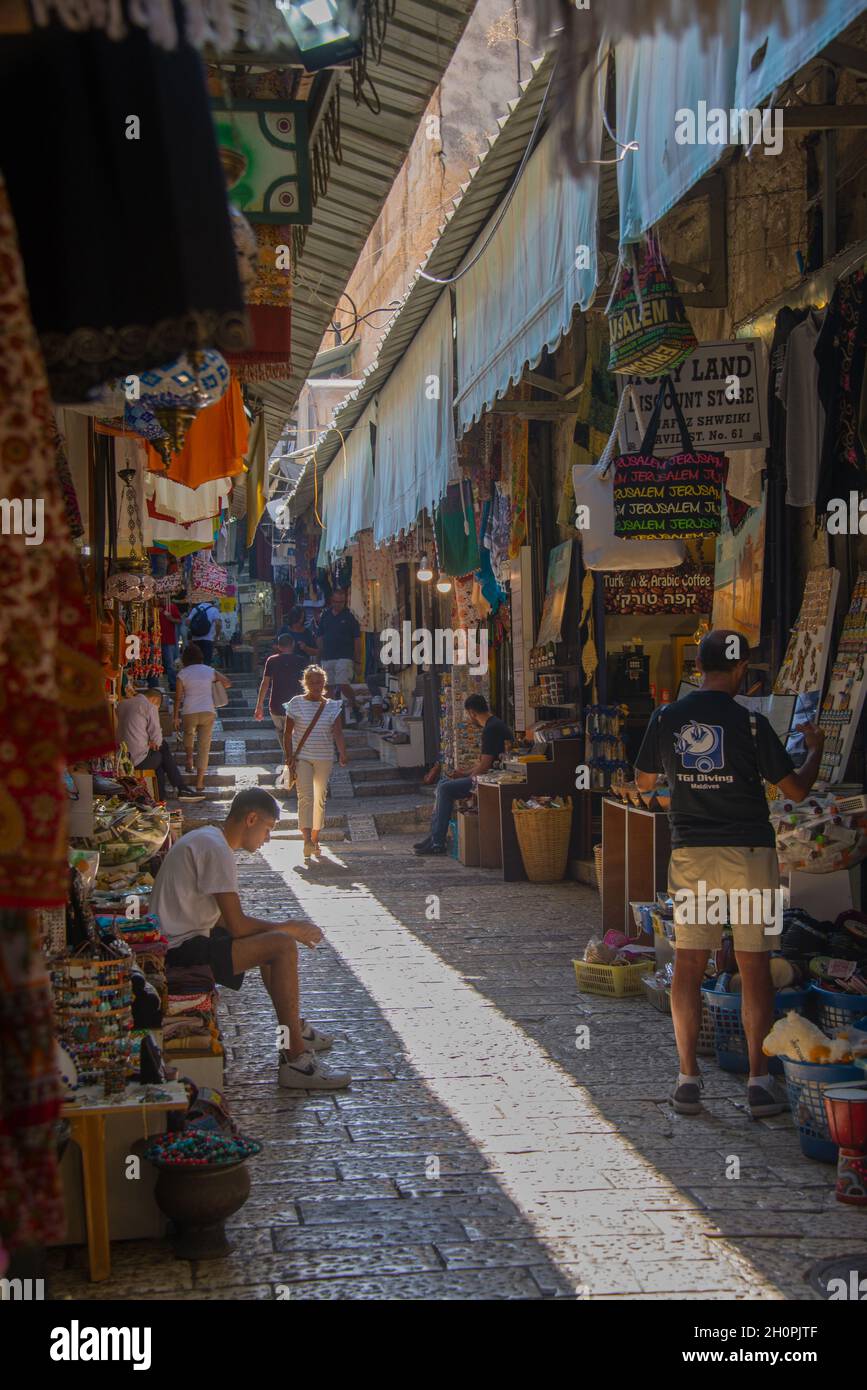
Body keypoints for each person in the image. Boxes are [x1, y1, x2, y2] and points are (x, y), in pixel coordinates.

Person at [634, 629, 825, 1121]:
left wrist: (684, 783)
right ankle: (759, 1083)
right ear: (740, 671)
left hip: (692, 856)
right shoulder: (753, 724)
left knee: (690, 964)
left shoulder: (667, 717)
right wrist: (816, 749)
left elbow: (644, 781)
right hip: (750, 856)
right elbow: (797, 791)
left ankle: (687, 1080)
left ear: (699, 666)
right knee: (754, 966)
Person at [153, 788, 350, 1090]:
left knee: (272, 943)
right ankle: (296, 1060)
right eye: (267, 829)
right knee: (281, 946)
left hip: (187, 939)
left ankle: (293, 1030)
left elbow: (224, 922)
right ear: (251, 818)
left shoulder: (209, 839)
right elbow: (238, 926)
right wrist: (290, 929)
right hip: (181, 950)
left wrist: (277, 930)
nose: (267, 838)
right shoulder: (215, 848)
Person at [415, 694, 512, 856]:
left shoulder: (491, 729)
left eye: (468, 715)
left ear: (472, 712)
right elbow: (482, 763)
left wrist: (468, 778)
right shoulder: (494, 724)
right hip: (489, 775)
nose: (469, 719)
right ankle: (435, 836)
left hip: (491, 779)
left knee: (445, 789)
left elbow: (484, 767)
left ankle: (438, 842)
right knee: (443, 784)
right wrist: (462, 773)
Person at [284, 664, 347, 861]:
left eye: (319, 681)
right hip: (302, 756)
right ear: (305, 683)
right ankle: (306, 841)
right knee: (305, 797)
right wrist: (289, 755)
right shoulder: (295, 703)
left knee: (320, 798)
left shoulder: (332, 706)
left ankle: (315, 837)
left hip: (324, 757)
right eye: (311, 681)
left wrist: (343, 753)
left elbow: (337, 732)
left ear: (324, 683)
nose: (315, 685)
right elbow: (287, 733)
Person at [116, 688, 204, 801]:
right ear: (155, 700)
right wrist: (153, 742)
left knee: (160, 761)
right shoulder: (149, 706)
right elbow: (157, 738)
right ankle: (179, 789)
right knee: (163, 748)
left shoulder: (122, 704)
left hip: (121, 757)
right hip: (137, 759)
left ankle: (163, 797)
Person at [174, 643, 231, 795]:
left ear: (185, 658)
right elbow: (227, 682)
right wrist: (214, 683)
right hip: (208, 710)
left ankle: (189, 759)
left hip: (189, 710)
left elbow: (178, 698)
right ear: (200, 656)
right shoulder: (209, 671)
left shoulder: (182, 673)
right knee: (204, 747)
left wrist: (175, 716)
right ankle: (199, 783)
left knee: (189, 734)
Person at [254, 631, 306, 756]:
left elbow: (265, 683)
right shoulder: (301, 660)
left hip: (276, 704)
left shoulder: (272, 661)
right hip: (296, 705)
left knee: (281, 731)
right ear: (293, 644)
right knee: (295, 733)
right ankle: (293, 759)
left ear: (278, 646)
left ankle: (288, 759)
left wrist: (259, 705)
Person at [318, 588, 362, 722]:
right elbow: (320, 635)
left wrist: (358, 660)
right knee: (328, 687)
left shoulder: (349, 617)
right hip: (328, 656)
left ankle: (354, 704)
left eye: (341, 602)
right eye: (336, 601)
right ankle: (333, 715)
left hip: (345, 655)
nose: (338, 604)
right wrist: (319, 653)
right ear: (332, 601)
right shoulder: (325, 615)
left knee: (342, 683)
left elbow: (357, 639)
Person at [155, 599, 182, 693]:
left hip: (171, 640)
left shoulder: (172, 607)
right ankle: (171, 684)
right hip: (159, 641)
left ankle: (174, 684)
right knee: (166, 664)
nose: (160, 597)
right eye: (159, 595)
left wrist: (171, 618)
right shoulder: (155, 608)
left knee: (173, 664)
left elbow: (179, 620)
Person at [186, 599, 222, 666]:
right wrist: (217, 635)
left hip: (195, 639)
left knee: (196, 662)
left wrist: (194, 629)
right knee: (206, 662)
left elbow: (187, 622)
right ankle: (205, 675)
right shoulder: (214, 610)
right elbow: (218, 624)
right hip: (208, 639)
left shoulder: (196, 609)